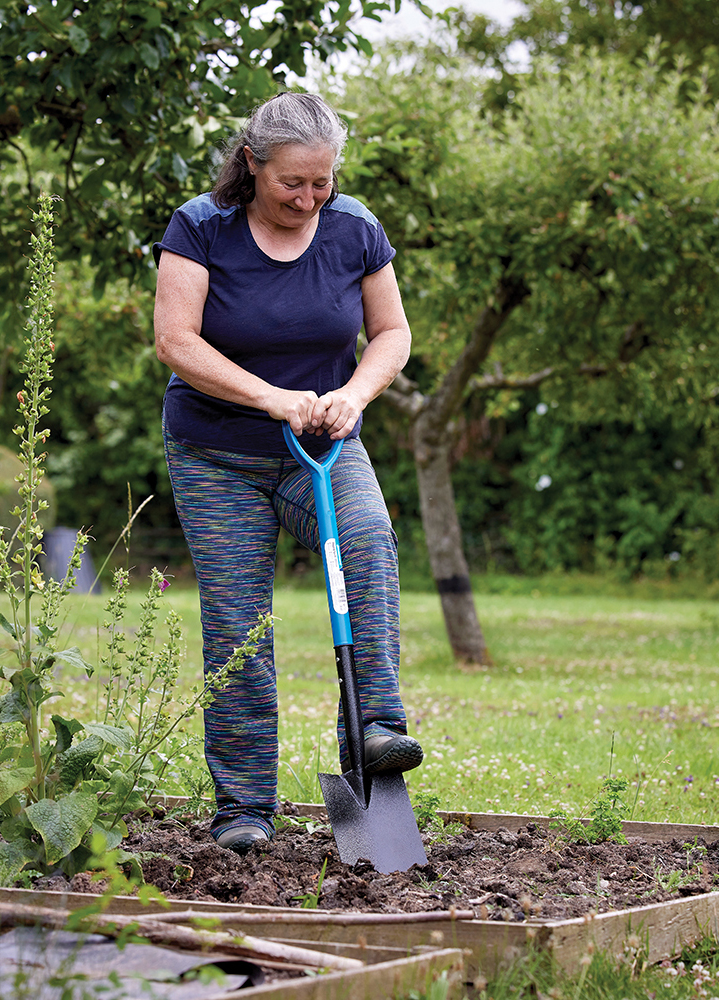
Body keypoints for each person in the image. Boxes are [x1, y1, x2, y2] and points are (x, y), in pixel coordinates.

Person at [153, 92, 422, 856]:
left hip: (326, 447)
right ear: (252, 164)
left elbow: (392, 332)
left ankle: (377, 729)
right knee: (238, 622)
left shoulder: (354, 229)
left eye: (322, 182)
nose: (308, 199)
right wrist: (274, 398)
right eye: (291, 184)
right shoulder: (200, 228)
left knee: (368, 539)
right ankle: (243, 806)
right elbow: (176, 342)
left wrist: (354, 393)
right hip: (218, 455)